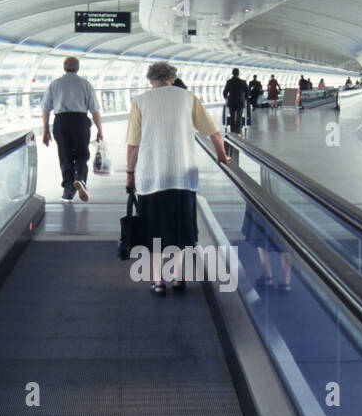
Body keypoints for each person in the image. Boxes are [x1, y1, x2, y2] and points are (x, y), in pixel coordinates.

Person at [125, 62, 230, 295]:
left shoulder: (140, 102)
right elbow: (213, 131)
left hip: (152, 178)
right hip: (183, 177)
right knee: (181, 230)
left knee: (154, 230)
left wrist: (130, 174)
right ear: (172, 78)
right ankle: (178, 278)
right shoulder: (188, 98)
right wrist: (221, 155)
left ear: (150, 81)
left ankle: (158, 281)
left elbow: (133, 144)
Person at [41, 56, 103, 202]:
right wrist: (100, 130)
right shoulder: (85, 84)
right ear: (78, 68)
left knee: (65, 155)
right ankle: (80, 179)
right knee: (82, 153)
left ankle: (68, 192)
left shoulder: (55, 84)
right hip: (80, 121)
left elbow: (45, 109)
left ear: (64, 67)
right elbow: (94, 110)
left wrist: (45, 130)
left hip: (61, 121)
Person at [223, 67, 247, 132]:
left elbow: (225, 92)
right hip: (240, 101)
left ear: (232, 73)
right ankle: (238, 129)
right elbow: (247, 92)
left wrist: (226, 98)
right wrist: (245, 98)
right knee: (239, 116)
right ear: (238, 74)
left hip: (231, 101)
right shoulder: (243, 82)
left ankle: (232, 129)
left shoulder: (229, 82)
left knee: (232, 116)